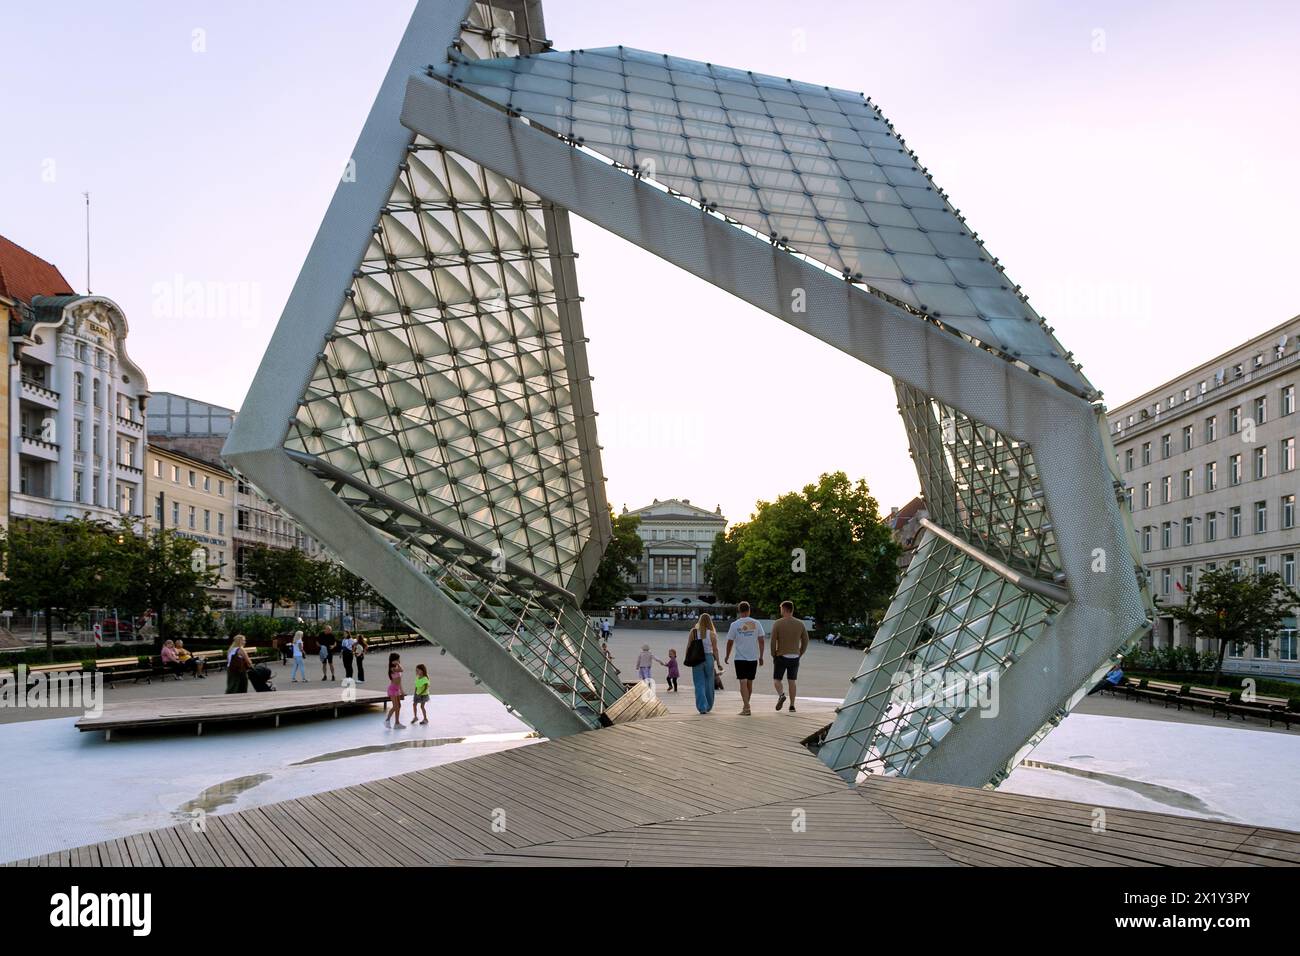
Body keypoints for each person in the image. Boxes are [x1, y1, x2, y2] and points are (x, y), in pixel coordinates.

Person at [724, 601, 765, 716]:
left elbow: (730, 642)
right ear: (749, 610)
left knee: (743, 682)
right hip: (753, 658)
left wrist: (727, 655)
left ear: (739, 611)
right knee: (749, 683)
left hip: (740, 658)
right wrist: (761, 656)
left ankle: (746, 706)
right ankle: (746, 706)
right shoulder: (756, 623)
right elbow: (761, 641)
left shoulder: (734, 625)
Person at [769, 600, 809, 713]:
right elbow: (806, 640)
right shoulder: (800, 624)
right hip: (795, 657)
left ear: (784, 609)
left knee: (777, 680)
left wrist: (773, 654)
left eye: (781, 609)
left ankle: (781, 695)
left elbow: (772, 641)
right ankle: (792, 705)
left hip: (781, 656)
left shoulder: (778, 623)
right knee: (792, 681)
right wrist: (800, 652)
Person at [686, 613, 720, 714]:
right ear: (710, 622)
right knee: (709, 683)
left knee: (699, 683)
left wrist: (687, 658)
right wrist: (718, 663)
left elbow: (688, 647)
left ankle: (702, 707)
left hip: (697, 659)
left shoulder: (694, 632)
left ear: (699, 621)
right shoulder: (712, 634)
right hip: (709, 658)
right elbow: (715, 650)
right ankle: (708, 706)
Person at [385, 652, 405, 728]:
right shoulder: (392, 668)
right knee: (395, 706)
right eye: (397, 659)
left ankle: (397, 723)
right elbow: (402, 670)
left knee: (398, 706)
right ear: (393, 660)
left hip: (396, 690)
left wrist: (401, 690)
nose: (399, 660)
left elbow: (399, 681)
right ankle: (387, 720)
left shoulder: (396, 667)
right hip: (392, 689)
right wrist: (398, 664)